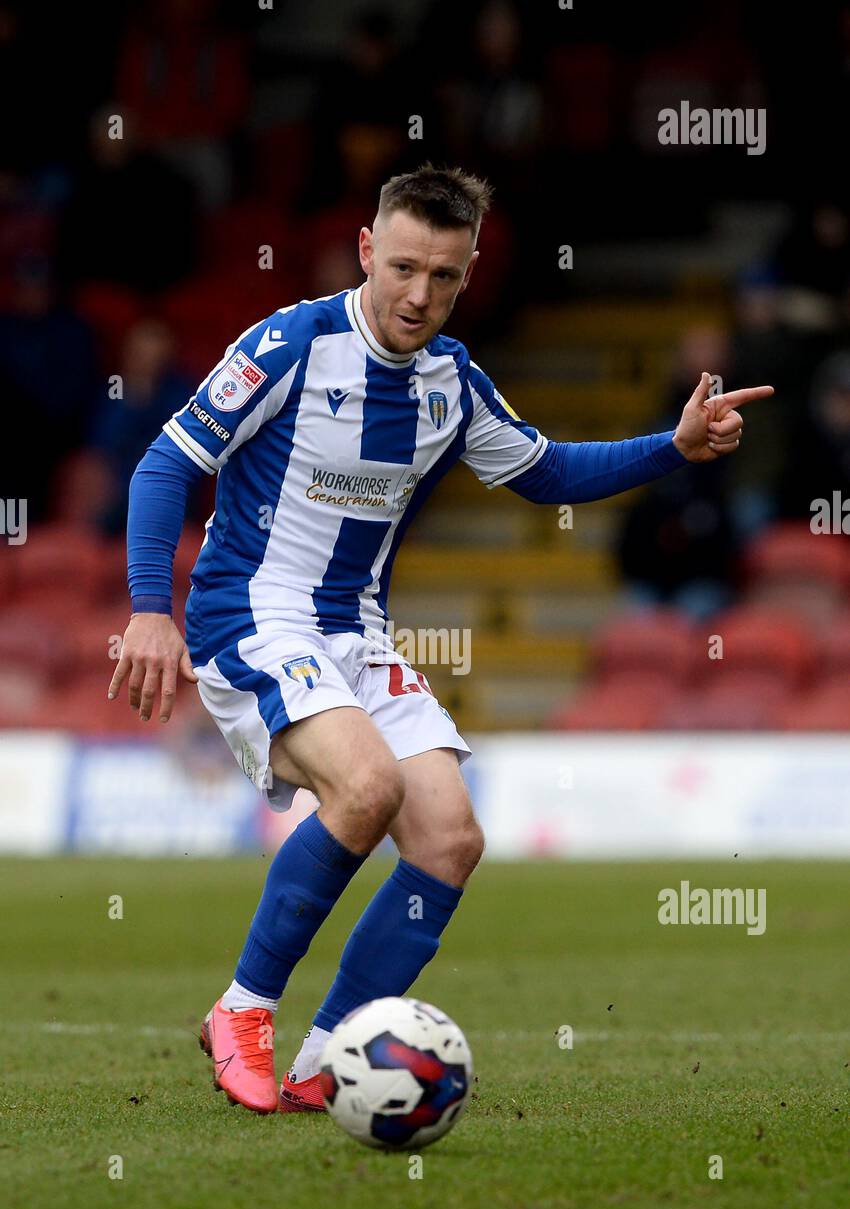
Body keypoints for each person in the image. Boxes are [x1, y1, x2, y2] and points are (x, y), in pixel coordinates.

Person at [109, 163, 773, 1115]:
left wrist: (672, 447)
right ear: (369, 252)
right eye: (406, 269)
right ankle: (242, 1010)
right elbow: (167, 462)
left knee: (450, 839)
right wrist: (145, 609)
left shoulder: (450, 381)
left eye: (447, 279)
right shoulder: (290, 344)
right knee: (368, 786)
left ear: (467, 276)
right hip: (253, 614)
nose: (422, 297)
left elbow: (544, 470)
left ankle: (327, 1061)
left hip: (356, 632)